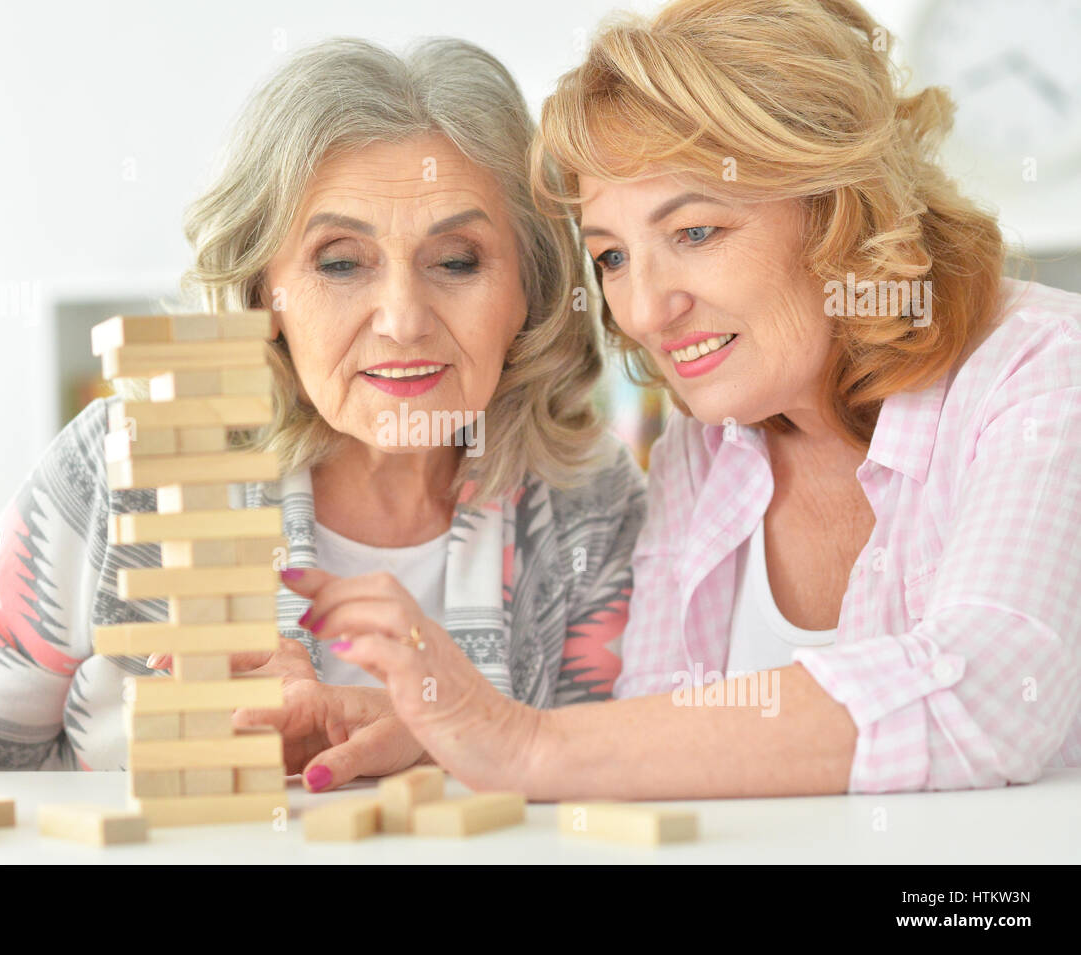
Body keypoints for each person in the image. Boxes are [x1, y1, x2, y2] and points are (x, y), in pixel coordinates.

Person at [273, 0, 1081, 797]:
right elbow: (647, 739)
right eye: (613, 257)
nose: (647, 310)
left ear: (839, 207)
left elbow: (990, 691)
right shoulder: (711, 444)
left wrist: (518, 740)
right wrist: (441, 734)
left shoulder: (1042, 371)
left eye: (696, 232)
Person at [0, 37, 645, 785]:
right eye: (340, 262)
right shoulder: (120, 467)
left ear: (531, 290)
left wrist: (434, 738)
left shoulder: (588, 502)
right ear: (262, 293)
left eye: (457, 261)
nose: (402, 318)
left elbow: (608, 786)